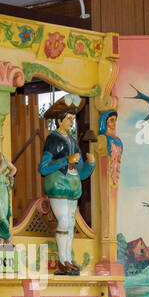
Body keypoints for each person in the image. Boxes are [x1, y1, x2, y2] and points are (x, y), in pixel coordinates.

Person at [39, 95, 95, 274]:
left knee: (70, 223)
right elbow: (44, 168)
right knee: (63, 220)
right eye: (68, 119)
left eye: (73, 118)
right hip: (59, 186)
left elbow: (81, 172)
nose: (71, 122)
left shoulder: (73, 141)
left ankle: (68, 259)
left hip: (72, 187)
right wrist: (65, 160)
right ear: (59, 121)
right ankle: (62, 260)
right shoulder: (53, 139)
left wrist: (91, 164)